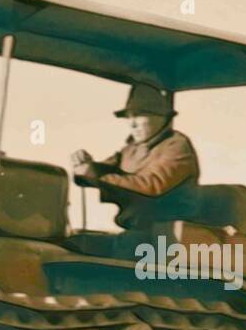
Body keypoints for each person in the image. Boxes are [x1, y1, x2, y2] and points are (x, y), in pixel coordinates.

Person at [71, 83, 200, 228]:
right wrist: (87, 167)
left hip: (168, 234)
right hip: (137, 228)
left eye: (139, 115)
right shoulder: (131, 149)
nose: (132, 124)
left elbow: (152, 185)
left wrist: (97, 177)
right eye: (129, 117)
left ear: (162, 116)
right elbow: (109, 168)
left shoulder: (177, 146)